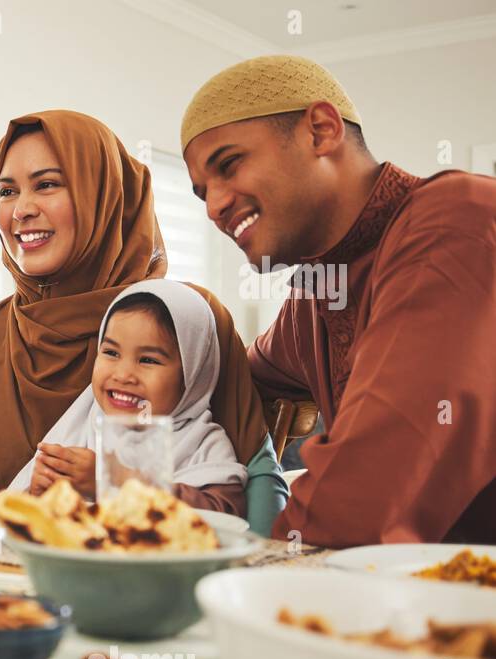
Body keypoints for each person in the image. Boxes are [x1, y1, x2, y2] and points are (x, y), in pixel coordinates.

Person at [182, 55, 496, 547]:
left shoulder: (462, 221)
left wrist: (252, 580)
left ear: (322, 130)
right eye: (202, 193)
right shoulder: (315, 290)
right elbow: (234, 385)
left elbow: (372, 485)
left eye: (229, 165)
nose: (215, 206)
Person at [0, 110, 283, 532]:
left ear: (106, 195)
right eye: (6, 191)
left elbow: (255, 489)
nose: (21, 209)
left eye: (47, 184)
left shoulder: (185, 318)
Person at [9, 279, 248, 514]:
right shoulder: (80, 428)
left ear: (194, 375)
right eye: (111, 352)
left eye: (148, 360)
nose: (123, 375)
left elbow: (222, 517)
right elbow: (38, 524)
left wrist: (114, 482)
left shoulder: (202, 443)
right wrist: (38, 495)